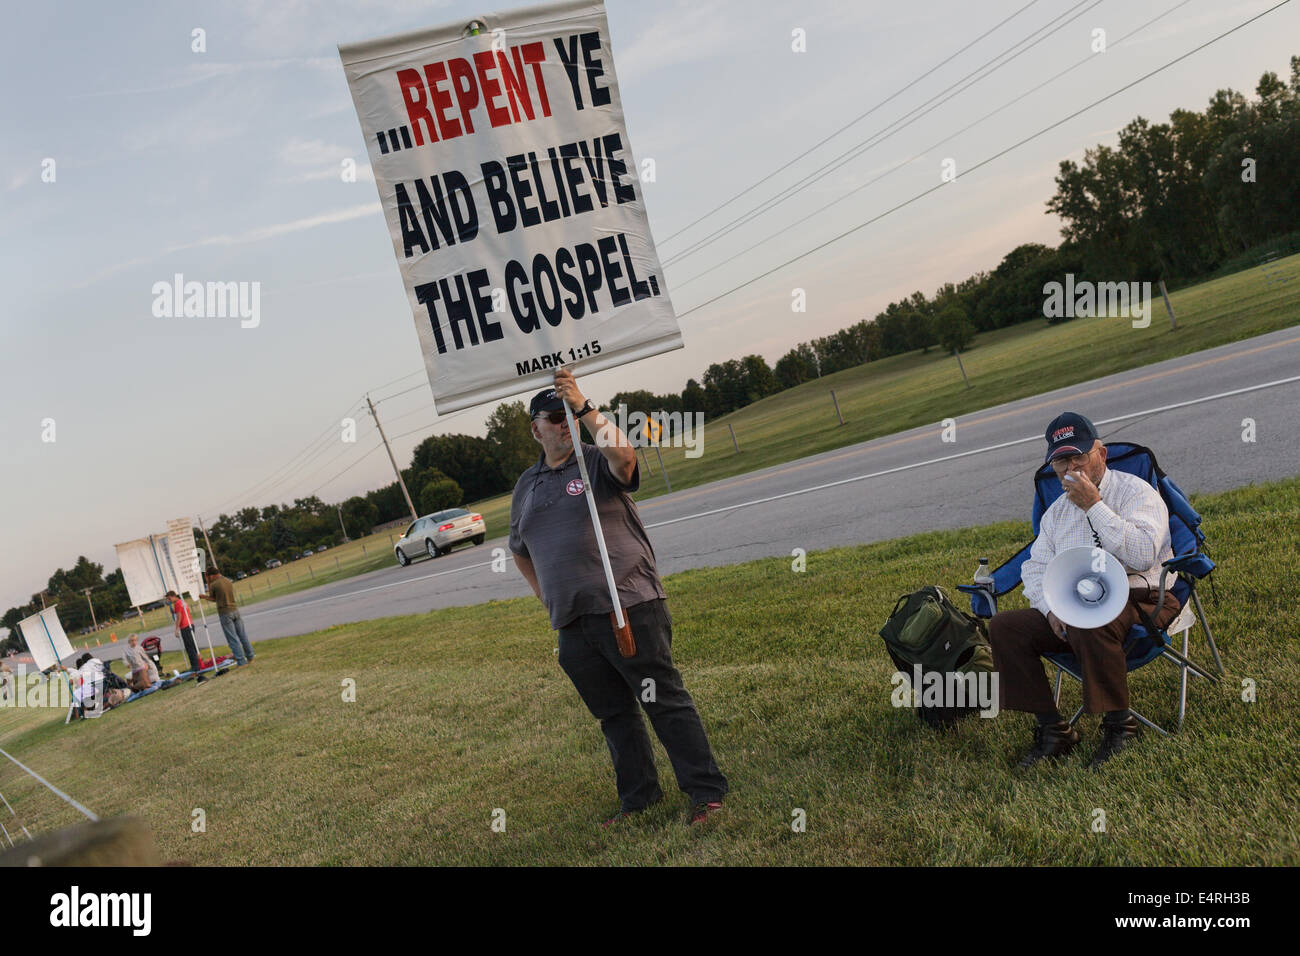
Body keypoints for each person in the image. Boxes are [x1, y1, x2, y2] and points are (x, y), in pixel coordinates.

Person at [508, 368, 728, 826]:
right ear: (535, 429)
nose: (564, 422)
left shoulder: (594, 458)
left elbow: (625, 459)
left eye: (568, 414)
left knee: (662, 699)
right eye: (555, 417)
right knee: (613, 715)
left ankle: (705, 792)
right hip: (572, 622)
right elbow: (519, 549)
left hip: (627, 604)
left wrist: (584, 406)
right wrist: (546, 597)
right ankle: (639, 798)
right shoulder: (526, 485)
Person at [989, 412, 1180, 770]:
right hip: (1074, 604)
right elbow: (1034, 567)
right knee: (1005, 627)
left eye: (1079, 455)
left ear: (1101, 455)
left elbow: (1142, 555)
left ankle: (1120, 725)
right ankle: (1054, 729)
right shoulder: (1056, 513)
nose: (1071, 466)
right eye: (1062, 459)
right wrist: (1049, 608)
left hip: (1142, 596)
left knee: (1090, 620)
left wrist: (1095, 505)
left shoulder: (1135, 492)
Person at [201, 568, 254, 666]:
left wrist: (204, 596)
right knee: (242, 635)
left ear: (211, 576)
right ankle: (250, 656)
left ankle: (241, 661)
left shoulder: (214, 584)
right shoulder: (227, 580)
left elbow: (213, 598)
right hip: (235, 609)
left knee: (232, 639)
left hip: (225, 613)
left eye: (208, 577)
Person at [166, 590, 206, 684]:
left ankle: (195, 667)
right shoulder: (183, 602)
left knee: (189, 648)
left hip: (185, 626)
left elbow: (179, 616)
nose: (169, 600)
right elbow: (180, 612)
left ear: (173, 596)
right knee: (193, 645)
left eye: (169, 598)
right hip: (190, 624)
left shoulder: (177, 604)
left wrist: (176, 629)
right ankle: (199, 663)